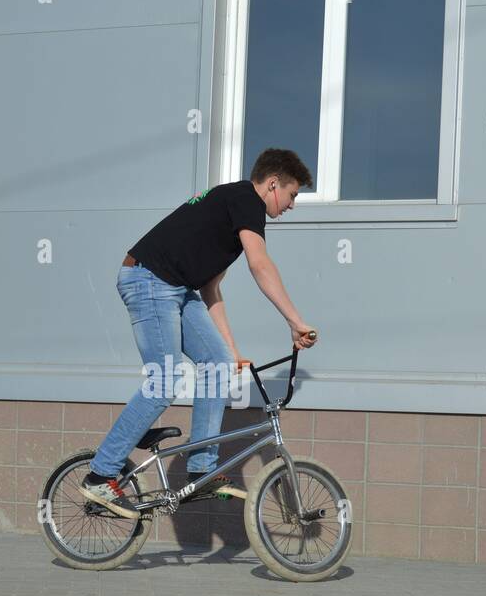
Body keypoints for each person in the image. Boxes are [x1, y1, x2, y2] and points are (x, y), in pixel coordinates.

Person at [80, 147, 319, 519]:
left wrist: (232, 350)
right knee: (164, 380)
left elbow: (211, 290)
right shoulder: (245, 201)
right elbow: (260, 264)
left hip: (176, 287)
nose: (291, 205)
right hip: (148, 279)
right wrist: (294, 320)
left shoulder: (234, 210)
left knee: (219, 364)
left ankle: (202, 469)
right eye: (292, 195)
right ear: (273, 184)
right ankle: (100, 474)